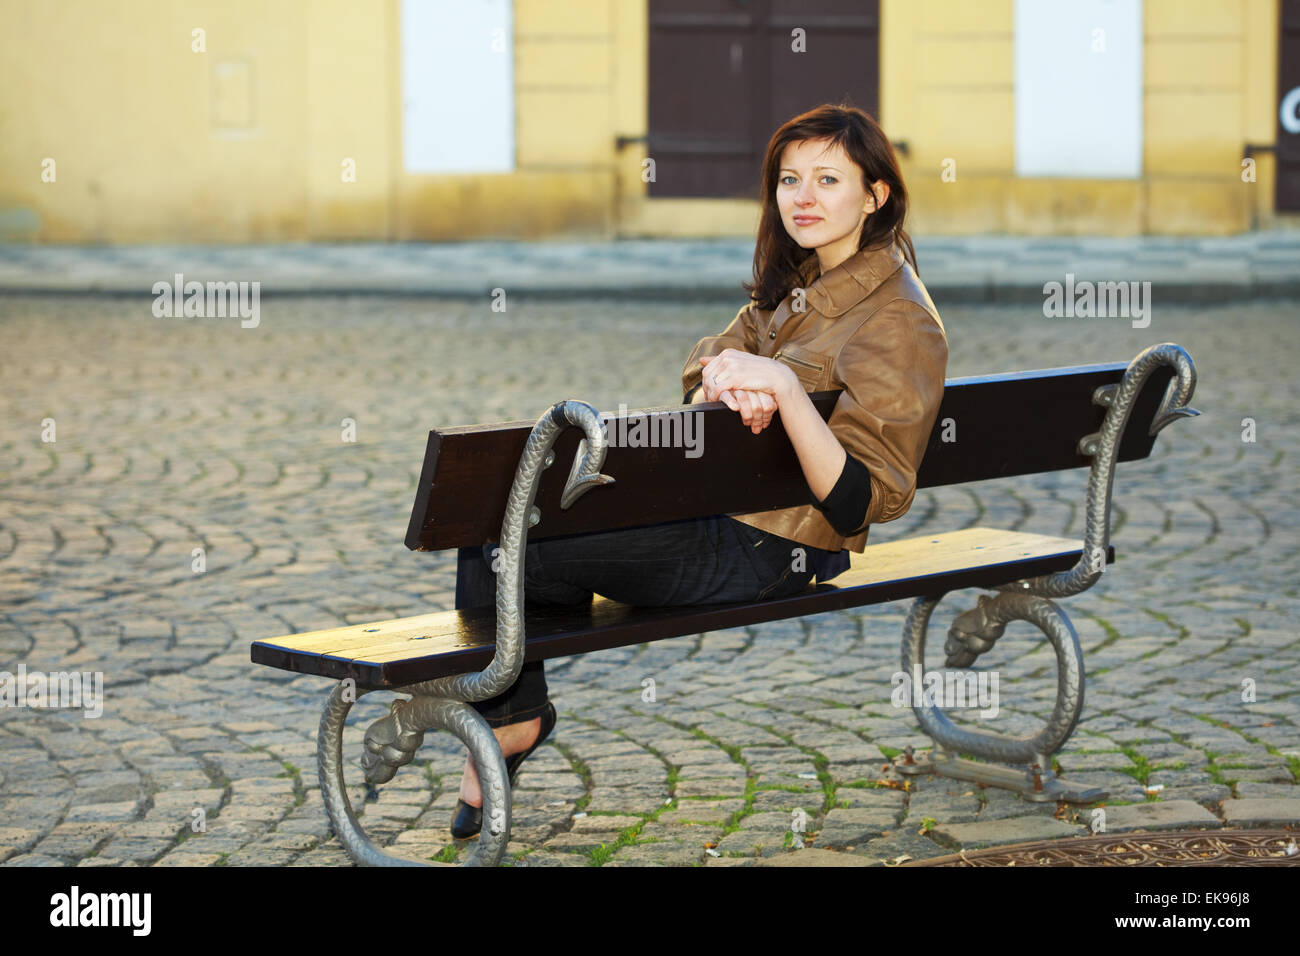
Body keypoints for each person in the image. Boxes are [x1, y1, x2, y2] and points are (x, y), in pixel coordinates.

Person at [448, 102, 949, 838]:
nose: (801, 199)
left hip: (778, 548)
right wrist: (723, 378)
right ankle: (514, 714)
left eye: (826, 180)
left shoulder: (900, 321)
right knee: (503, 515)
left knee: (503, 537)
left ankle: (513, 720)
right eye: (788, 180)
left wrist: (780, 391)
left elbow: (861, 502)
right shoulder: (800, 282)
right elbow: (708, 353)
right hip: (718, 515)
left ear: (875, 196)